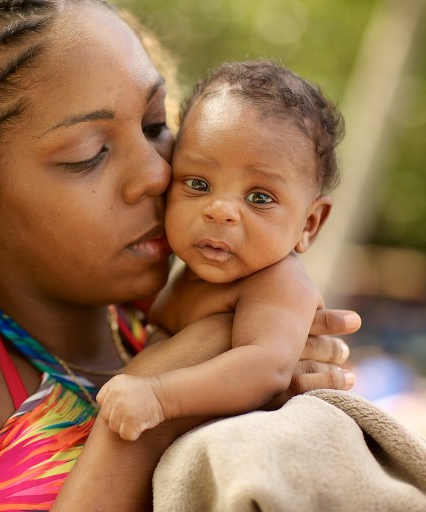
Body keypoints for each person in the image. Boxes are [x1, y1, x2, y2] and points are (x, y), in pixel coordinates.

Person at [0, 1, 360, 511]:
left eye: (155, 124)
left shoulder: (183, 319)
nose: (158, 173)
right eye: (89, 154)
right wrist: (147, 420)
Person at [96, 60, 347, 442]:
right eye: (198, 184)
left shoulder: (278, 284)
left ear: (309, 224)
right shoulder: (183, 271)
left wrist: (159, 396)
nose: (220, 210)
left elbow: (265, 368)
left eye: (259, 197)